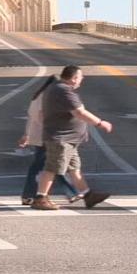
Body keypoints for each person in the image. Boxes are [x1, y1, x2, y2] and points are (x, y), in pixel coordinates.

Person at [31, 65, 112, 211]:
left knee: (74, 168)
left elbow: (42, 114)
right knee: (52, 168)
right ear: (74, 79)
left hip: (67, 139)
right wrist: (100, 123)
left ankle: (88, 195)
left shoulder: (56, 88)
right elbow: (80, 112)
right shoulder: (63, 91)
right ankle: (40, 198)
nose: (83, 79)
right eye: (81, 77)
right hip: (61, 139)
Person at [17, 75, 80, 206]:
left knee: (49, 165)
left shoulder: (39, 96)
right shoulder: (46, 97)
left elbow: (31, 117)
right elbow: (41, 117)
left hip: (43, 136)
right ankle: (70, 192)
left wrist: (26, 134)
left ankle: (29, 195)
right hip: (47, 136)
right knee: (54, 165)